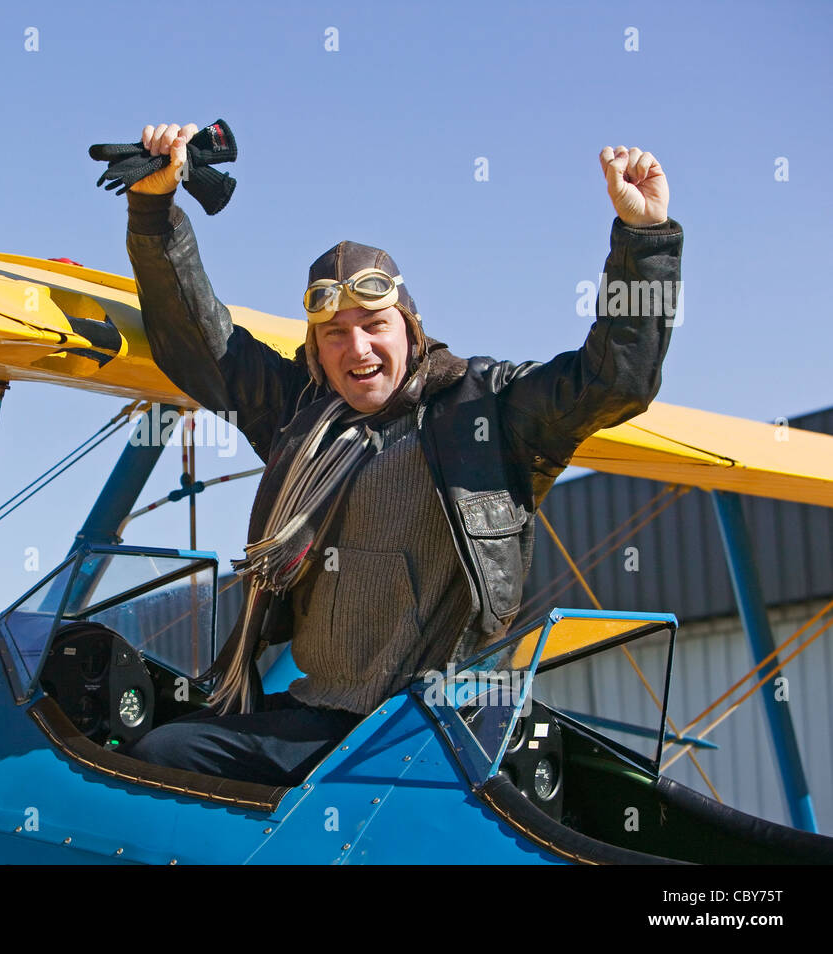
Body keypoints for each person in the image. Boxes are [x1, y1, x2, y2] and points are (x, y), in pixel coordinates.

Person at [116, 122, 682, 787]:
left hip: (425, 729)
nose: (356, 349)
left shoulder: (486, 412)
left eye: (373, 326)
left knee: (168, 759)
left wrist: (644, 242)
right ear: (317, 350)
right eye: (333, 334)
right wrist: (153, 208)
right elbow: (200, 342)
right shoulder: (301, 416)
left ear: (408, 329)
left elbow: (614, 380)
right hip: (319, 717)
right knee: (158, 752)